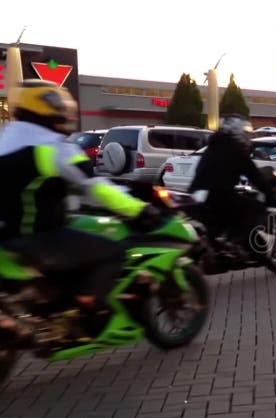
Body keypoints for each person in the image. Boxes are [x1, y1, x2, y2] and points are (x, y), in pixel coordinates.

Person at [0, 80, 161, 331]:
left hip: (5, 235)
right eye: (60, 107)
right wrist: (139, 209)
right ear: (47, 107)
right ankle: (85, 312)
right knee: (112, 251)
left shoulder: (5, 139)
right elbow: (96, 188)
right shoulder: (52, 147)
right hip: (35, 237)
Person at [189, 114, 276, 256]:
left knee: (231, 210)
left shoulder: (214, 146)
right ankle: (235, 242)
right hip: (218, 194)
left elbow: (214, 172)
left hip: (197, 193)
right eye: (245, 133)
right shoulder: (235, 149)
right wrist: (271, 194)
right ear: (237, 132)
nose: (247, 136)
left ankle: (223, 241)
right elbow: (254, 174)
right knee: (255, 207)